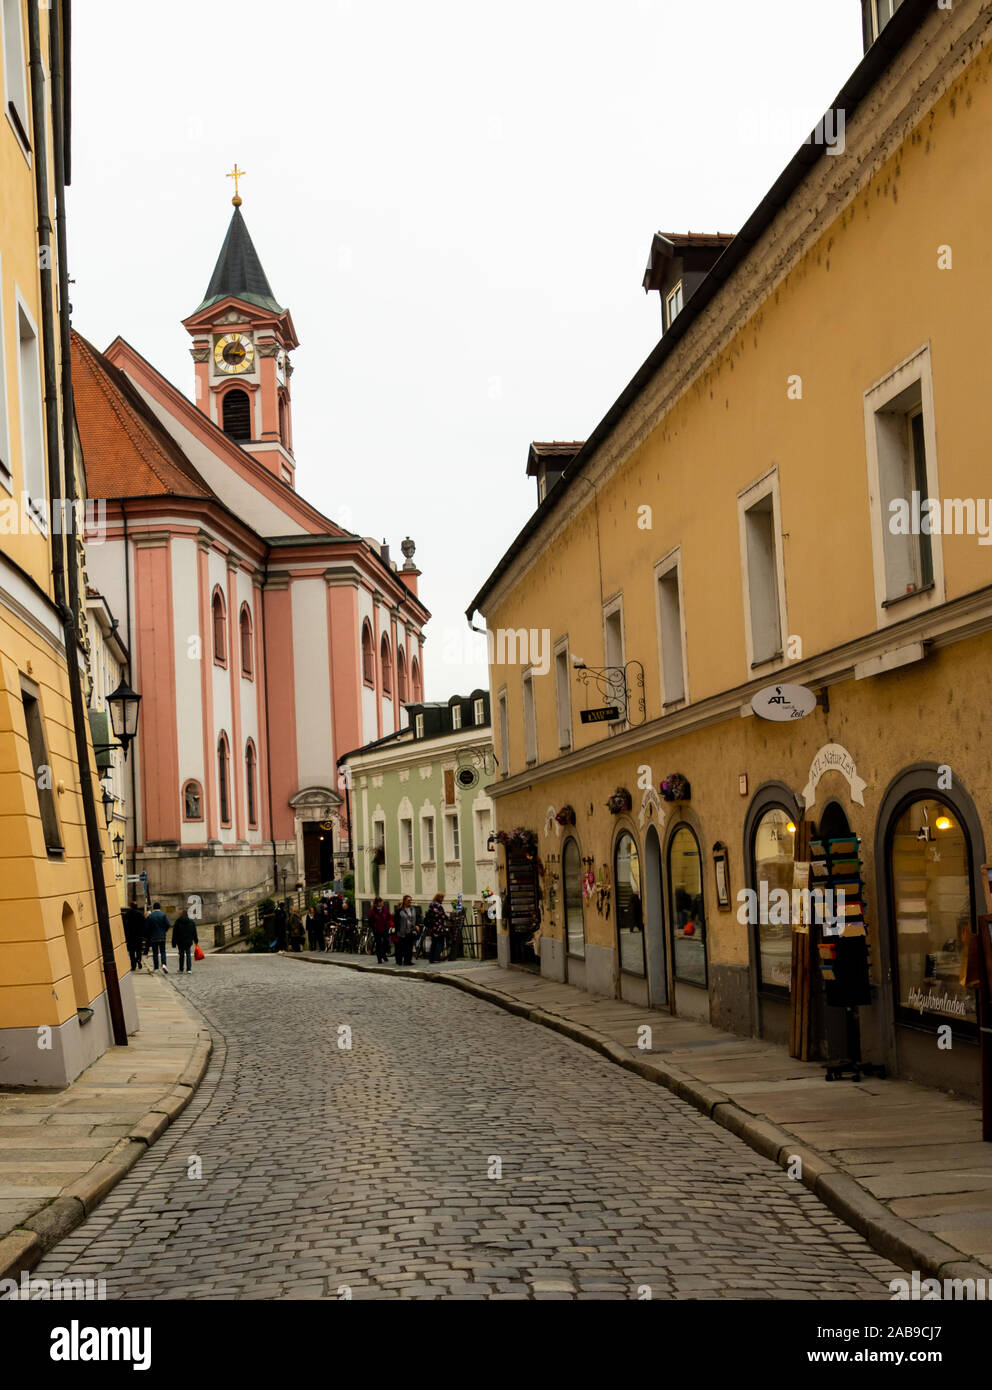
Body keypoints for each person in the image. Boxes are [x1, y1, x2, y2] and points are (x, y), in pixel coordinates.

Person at [172, 908, 198, 973]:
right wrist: (196, 940)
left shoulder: (177, 921)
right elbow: (194, 932)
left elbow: (175, 933)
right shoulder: (191, 922)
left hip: (180, 941)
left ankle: (181, 969)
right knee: (188, 954)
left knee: (181, 955)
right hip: (188, 941)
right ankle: (189, 969)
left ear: (181, 914)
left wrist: (174, 942)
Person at [145, 902, 170, 973]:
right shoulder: (163, 915)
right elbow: (168, 924)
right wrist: (164, 931)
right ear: (160, 907)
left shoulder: (150, 916)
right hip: (162, 936)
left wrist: (150, 933)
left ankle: (156, 968)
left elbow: (147, 927)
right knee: (163, 951)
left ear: (153, 908)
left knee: (155, 952)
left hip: (153, 937)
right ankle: (164, 964)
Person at [424, 893, 447, 964]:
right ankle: (437, 958)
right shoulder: (438, 906)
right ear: (439, 898)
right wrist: (454, 918)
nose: (443, 899)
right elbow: (443, 916)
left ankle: (431, 958)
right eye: (442, 898)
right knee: (440, 943)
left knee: (433, 943)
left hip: (432, 927)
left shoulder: (431, 906)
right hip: (439, 927)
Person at [122, 903, 145, 973]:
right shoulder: (140, 914)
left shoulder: (127, 914)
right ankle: (138, 959)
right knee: (138, 950)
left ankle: (133, 965)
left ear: (130, 907)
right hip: (139, 936)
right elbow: (144, 925)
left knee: (131, 952)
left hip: (130, 936)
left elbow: (124, 925)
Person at [395, 895, 416, 966]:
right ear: (404, 901)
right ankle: (399, 961)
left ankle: (408, 961)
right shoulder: (399, 910)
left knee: (409, 947)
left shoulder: (412, 909)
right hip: (402, 930)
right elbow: (396, 921)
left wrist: (416, 926)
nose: (410, 902)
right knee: (401, 947)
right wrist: (397, 931)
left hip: (410, 930)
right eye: (408, 900)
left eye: (411, 900)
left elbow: (415, 918)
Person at [369, 896, 391, 964]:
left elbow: (388, 917)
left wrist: (388, 925)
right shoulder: (372, 911)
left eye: (381, 901)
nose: (381, 903)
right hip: (376, 930)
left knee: (387, 942)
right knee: (378, 944)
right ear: (376, 903)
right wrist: (373, 928)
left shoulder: (385, 909)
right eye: (379, 902)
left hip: (384, 928)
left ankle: (383, 954)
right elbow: (371, 921)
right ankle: (379, 958)